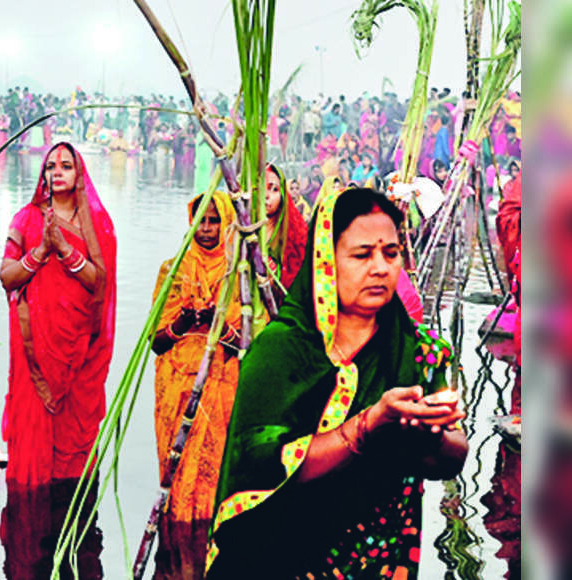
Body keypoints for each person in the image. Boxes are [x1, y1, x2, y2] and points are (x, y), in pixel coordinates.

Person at [206, 187, 468, 579]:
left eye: (391, 253)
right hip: (284, 560)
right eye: (362, 255)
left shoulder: (421, 351)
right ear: (326, 260)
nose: (380, 268)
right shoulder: (281, 352)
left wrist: (430, 434)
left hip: (381, 560)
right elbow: (260, 469)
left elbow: (451, 458)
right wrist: (368, 425)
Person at [0, 142, 116, 578]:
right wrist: (40, 251)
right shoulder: (26, 219)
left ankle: (74, 544)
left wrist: (64, 249)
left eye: (67, 165)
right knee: (32, 458)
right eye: (51, 165)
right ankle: (29, 548)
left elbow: (100, 283)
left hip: (80, 353)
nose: (58, 172)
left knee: (74, 454)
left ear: (79, 173)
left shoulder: (97, 223)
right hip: (34, 352)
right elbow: (7, 276)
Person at [151, 192, 241, 580]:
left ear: (227, 223)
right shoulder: (172, 270)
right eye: (200, 220)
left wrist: (218, 324)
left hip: (220, 384)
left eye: (214, 221)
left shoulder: (240, 273)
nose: (206, 229)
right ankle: (177, 557)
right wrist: (186, 322)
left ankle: (204, 546)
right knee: (176, 477)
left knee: (210, 477)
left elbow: (247, 343)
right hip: (176, 386)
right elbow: (157, 342)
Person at [264, 164, 309, 297]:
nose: (266, 195)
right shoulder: (237, 231)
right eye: (260, 189)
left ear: (283, 194)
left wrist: (275, 275)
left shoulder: (295, 232)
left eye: (274, 189)